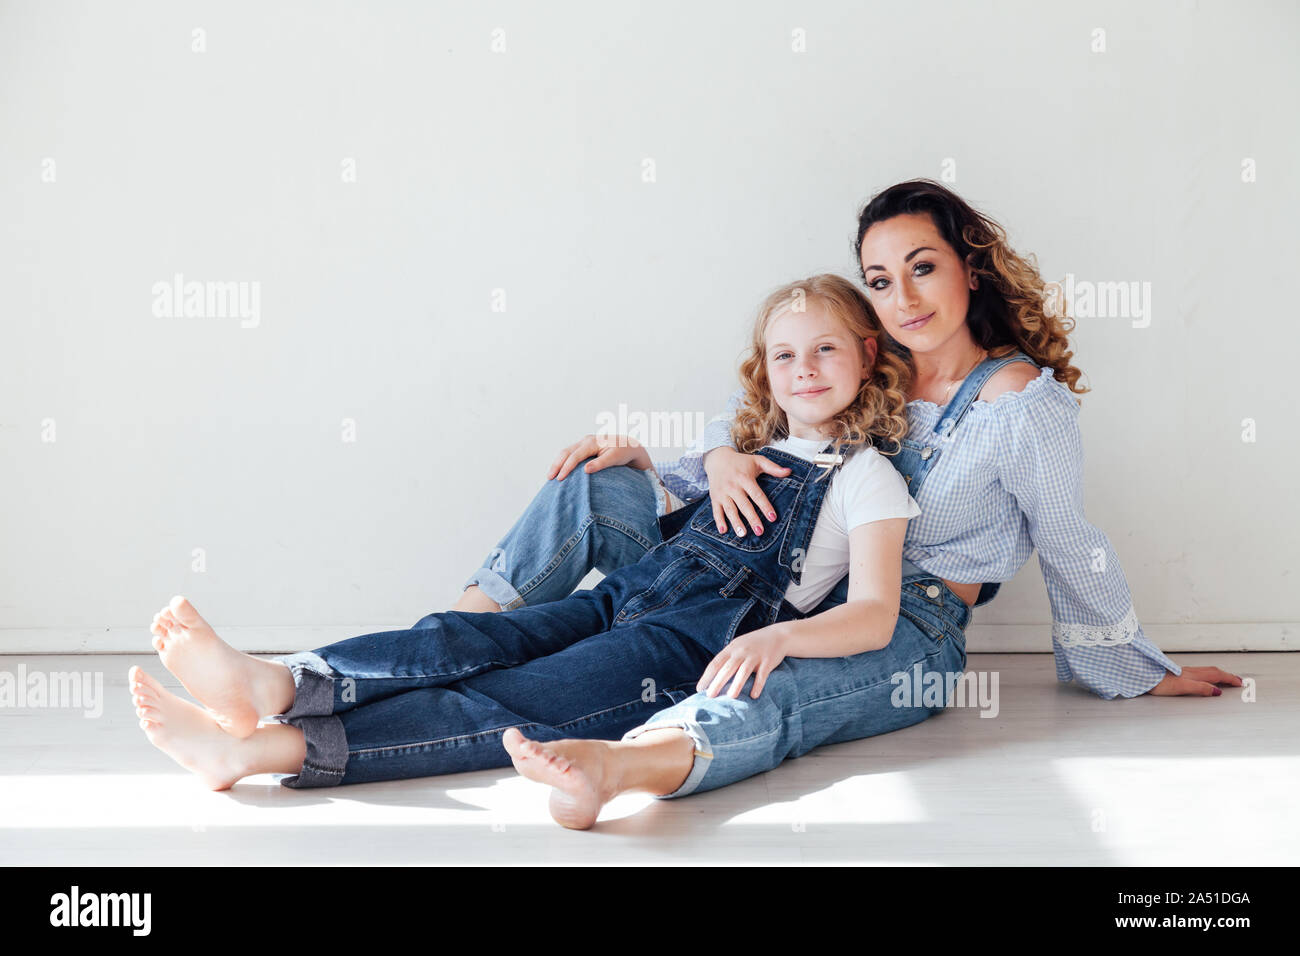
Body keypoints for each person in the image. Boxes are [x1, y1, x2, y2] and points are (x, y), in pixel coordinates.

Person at [481, 179, 1243, 828]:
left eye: (922, 269)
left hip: (907, 618)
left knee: (771, 688)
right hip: (770, 579)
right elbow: (749, 407)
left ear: (970, 270)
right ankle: (464, 634)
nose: (901, 299)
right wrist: (715, 458)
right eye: (879, 280)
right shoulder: (858, 357)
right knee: (594, 481)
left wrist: (1135, 667)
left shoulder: (1019, 405)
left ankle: (619, 771)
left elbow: (1071, 540)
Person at [128, 273, 938, 797]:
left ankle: (262, 753)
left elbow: (873, 611)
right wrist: (712, 455)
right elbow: (663, 485)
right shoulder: (750, 451)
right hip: (627, 595)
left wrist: (783, 641)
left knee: (511, 700)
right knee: (465, 635)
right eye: (786, 354)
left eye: (826, 349)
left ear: (868, 357)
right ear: (766, 371)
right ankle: (278, 682)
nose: (806, 368)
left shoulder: (869, 477)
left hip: (686, 646)